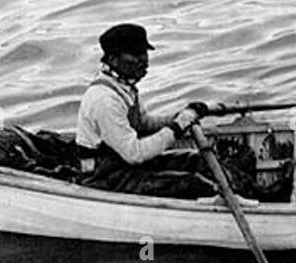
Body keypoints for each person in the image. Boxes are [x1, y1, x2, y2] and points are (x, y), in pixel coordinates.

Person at [75, 23, 215, 198]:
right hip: (103, 176)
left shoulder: (124, 86)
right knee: (189, 184)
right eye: (135, 54)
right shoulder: (104, 99)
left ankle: (246, 195)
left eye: (144, 52)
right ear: (112, 59)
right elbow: (135, 154)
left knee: (198, 161)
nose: (143, 59)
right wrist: (177, 127)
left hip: (122, 164)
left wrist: (179, 116)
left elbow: (143, 123)